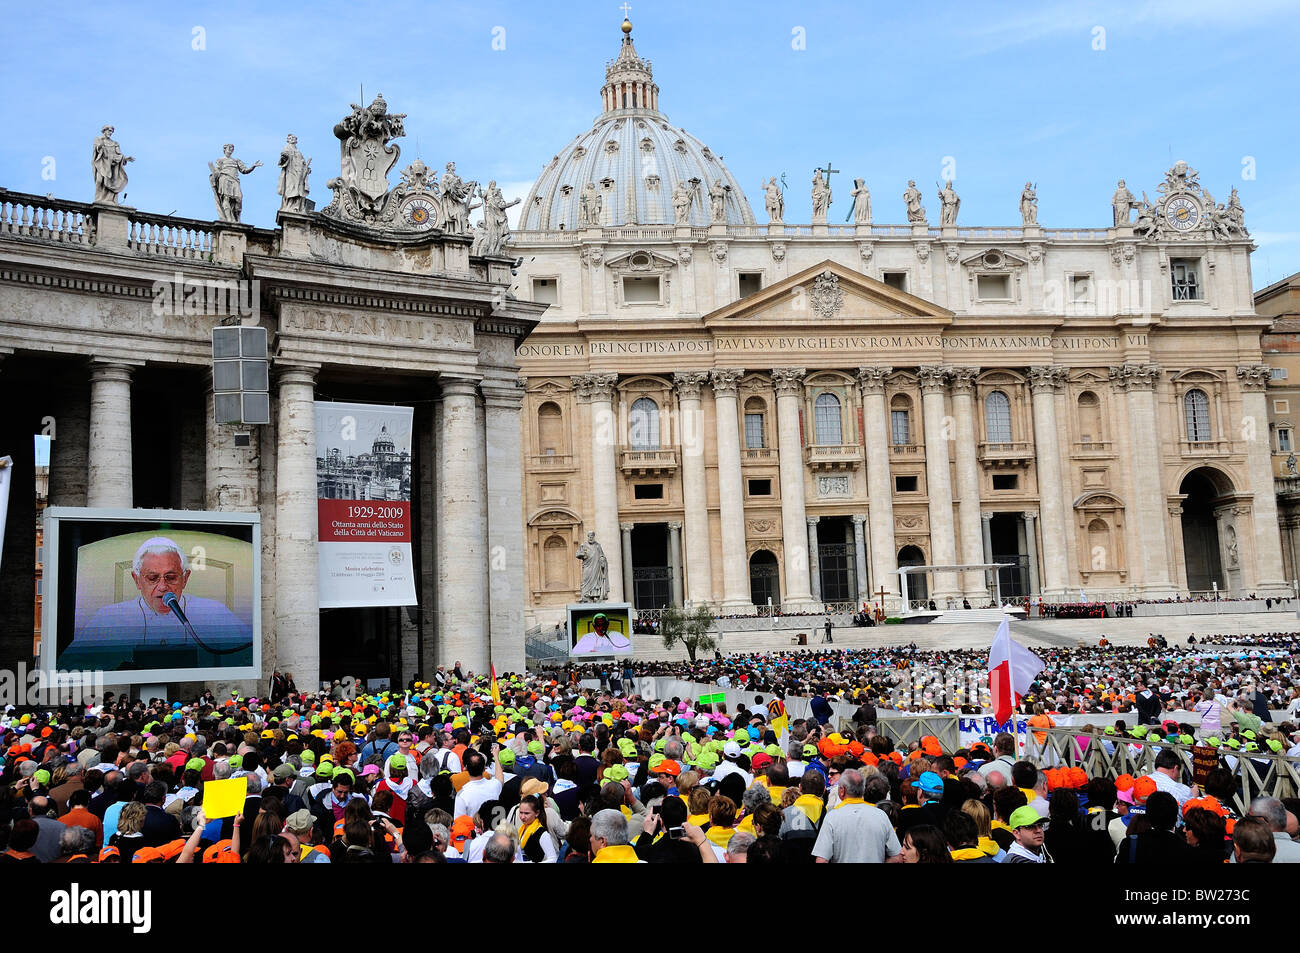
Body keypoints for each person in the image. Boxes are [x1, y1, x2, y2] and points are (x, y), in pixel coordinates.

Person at [61, 537, 253, 669]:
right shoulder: (110, 616)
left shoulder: (213, 611)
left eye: (171, 577)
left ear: (185, 578)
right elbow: (71, 667)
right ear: (137, 579)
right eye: (152, 578)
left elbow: (247, 658)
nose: (163, 587)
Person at [812, 769, 901, 863]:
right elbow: (897, 857)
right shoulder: (881, 815)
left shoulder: (832, 817)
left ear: (842, 791)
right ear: (863, 790)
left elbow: (821, 860)